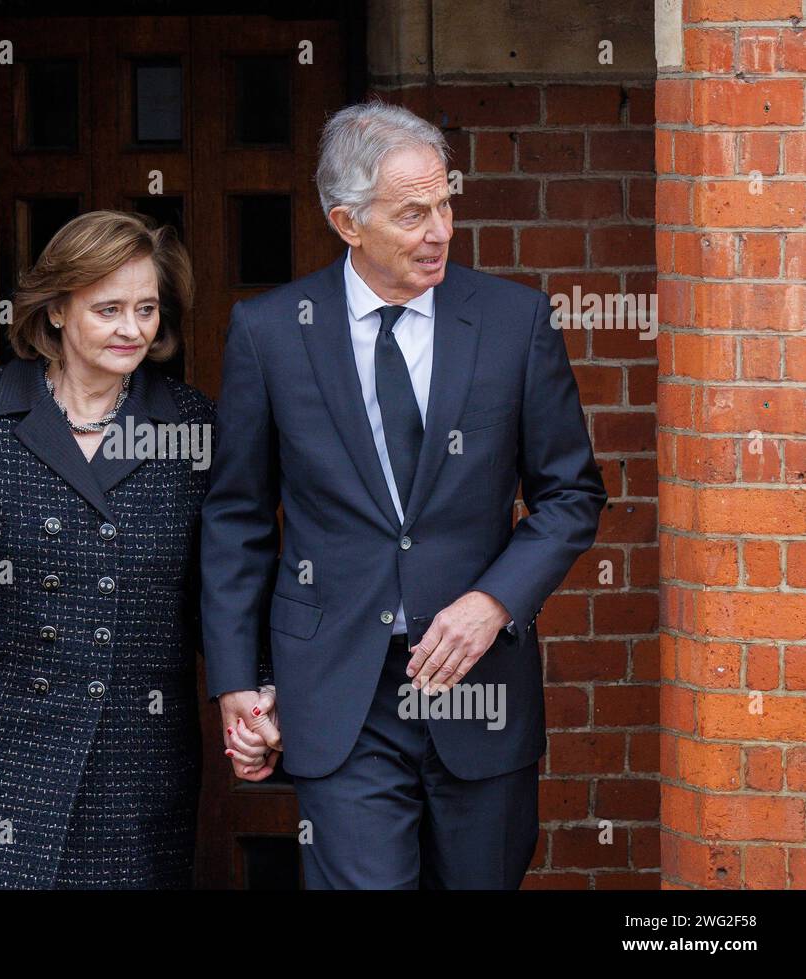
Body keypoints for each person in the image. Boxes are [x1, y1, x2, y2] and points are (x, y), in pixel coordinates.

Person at [201, 100, 607, 889]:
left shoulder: (513, 319)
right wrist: (235, 680)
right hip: (339, 689)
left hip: (479, 687)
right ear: (347, 222)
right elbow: (237, 517)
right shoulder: (271, 331)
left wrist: (493, 600)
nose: (440, 231)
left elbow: (571, 495)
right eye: (413, 212)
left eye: (446, 203)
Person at [0, 210, 269, 888]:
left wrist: (257, 688)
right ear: (54, 310)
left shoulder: (193, 428)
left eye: (146, 309)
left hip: (130, 768)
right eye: (108, 309)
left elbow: (224, 584)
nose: (132, 328)